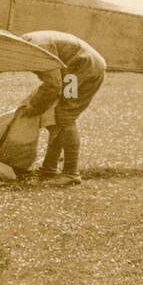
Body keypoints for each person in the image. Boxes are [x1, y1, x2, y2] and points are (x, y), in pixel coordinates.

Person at [20, 30, 107, 187]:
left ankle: (71, 173)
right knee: (57, 114)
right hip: (74, 70)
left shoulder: (36, 49)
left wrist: (34, 106)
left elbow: (53, 85)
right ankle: (49, 168)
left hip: (81, 70)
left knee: (65, 115)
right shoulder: (28, 43)